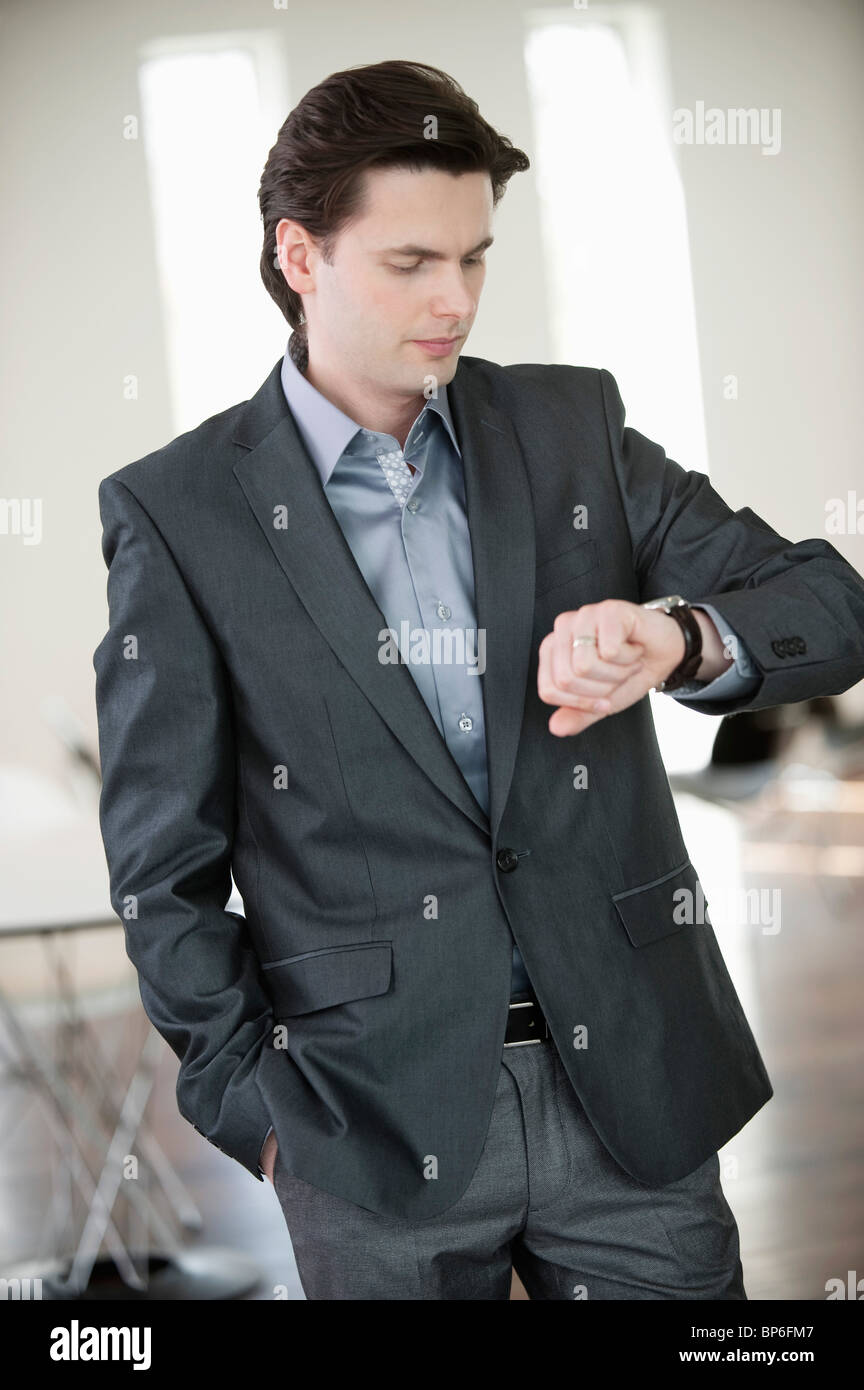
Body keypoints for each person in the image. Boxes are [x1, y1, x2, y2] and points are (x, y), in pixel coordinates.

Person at [92, 59, 864, 1300]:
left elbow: (830, 604)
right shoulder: (178, 513)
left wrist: (677, 637)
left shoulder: (572, 430)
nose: (455, 300)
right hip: (364, 1126)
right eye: (412, 263)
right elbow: (161, 867)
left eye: (475, 258)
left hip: (633, 1091)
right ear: (300, 255)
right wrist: (263, 1118)